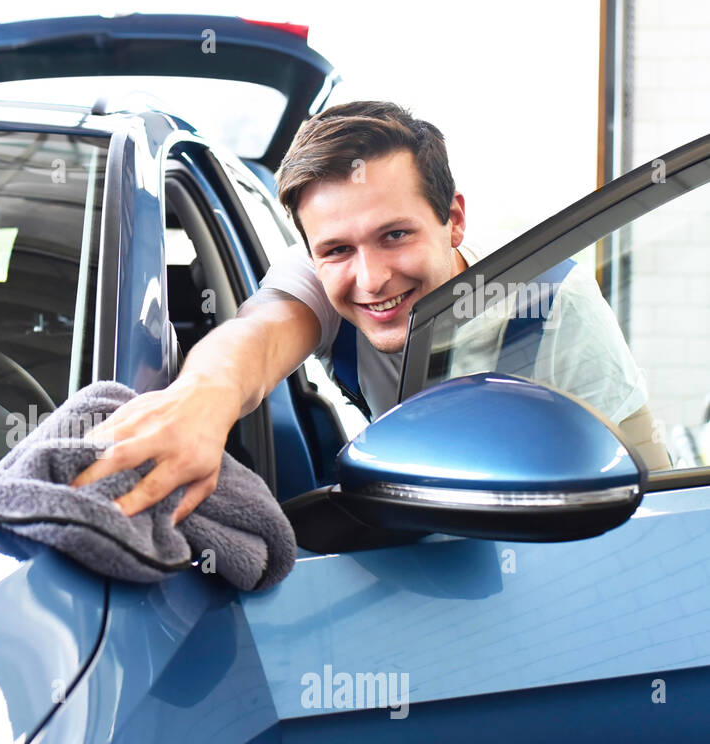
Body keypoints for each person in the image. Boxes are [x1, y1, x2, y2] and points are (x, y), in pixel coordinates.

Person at [70, 100, 667, 522]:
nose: (371, 278)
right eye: (336, 249)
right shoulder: (327, 278)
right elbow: (255, 340)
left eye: (395, 235)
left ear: (454, 219)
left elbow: (655, 498)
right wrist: (197, 406)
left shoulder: (554, 302)